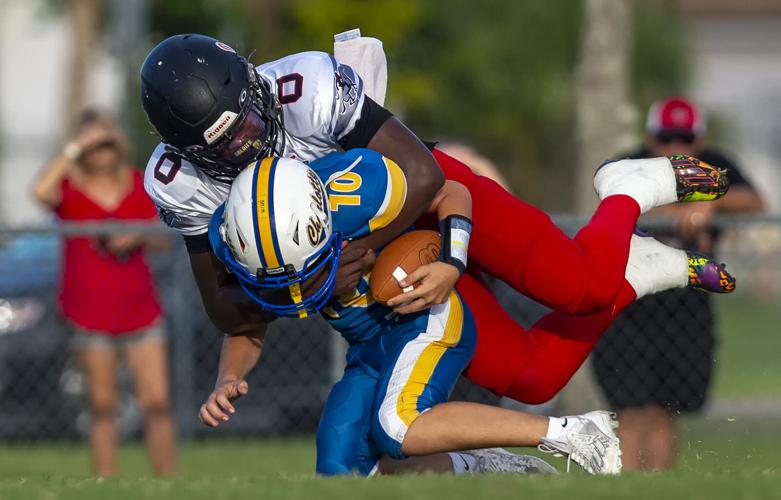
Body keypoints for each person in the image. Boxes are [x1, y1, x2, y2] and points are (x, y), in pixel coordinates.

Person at [139, 34, 736, 408]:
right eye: (227, 140)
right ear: (187, 149)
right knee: (530, 379)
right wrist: (300, 275)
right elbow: (221, 308)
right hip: (358, 272)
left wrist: (403, 253)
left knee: (580, 286)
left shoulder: (307, 87)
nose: (249, 139)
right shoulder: (179, 181)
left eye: (247, 118)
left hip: (427, 200)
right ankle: (638, 271)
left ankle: (628, 191)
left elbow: (422, 172)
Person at [198, 149, 735, 476]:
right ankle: (487, 465)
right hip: (371, 341)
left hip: (424, 291)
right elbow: (249, 318)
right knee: (343, 461)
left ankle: (627, 192)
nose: (299, 290)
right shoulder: (233, 229)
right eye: (281, 279)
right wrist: (228, 377)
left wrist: (453, 259)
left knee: (397, 423)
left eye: (307, 272)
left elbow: (443, 187)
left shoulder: (354, 186)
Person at [592, 97, 765, 470]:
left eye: (685, 140)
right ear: (650, 138)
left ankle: (658, 486)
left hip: (685, 300)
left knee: (664, 407)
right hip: (630, 301)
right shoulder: (630, 163)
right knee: (630, 406)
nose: (675, 148)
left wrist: (712, 203)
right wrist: (684, 206)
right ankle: (628, 486)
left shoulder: (716, 166)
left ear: (699, 141)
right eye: (666, 138)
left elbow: (753, 201)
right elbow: (616, 200)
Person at [32, 110, 177, 477]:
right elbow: (39, 191)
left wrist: (137, 235)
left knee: (156, 401)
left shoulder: (136, 183)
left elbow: (165, 240)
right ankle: (105, 483)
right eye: (92, 146)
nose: (100, 152)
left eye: (106, 142)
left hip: (140, 309)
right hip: (89, 313)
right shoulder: (71, 191)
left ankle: (168, 481)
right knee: (102, 404)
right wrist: (74, 146)